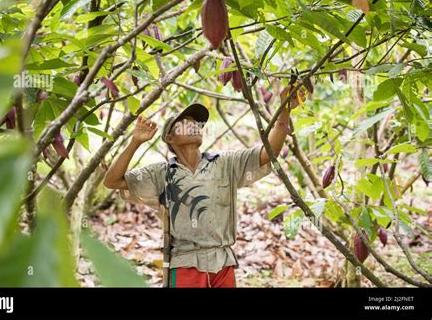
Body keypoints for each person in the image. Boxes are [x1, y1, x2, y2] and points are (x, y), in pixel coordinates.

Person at [103, 85, 304, 287]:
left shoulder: (226, 163)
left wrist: (285, 108)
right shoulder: (161, 174)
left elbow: (269, 152)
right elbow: (112, 181)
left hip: (223, 262)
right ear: (169, 138)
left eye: (196, 124)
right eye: (184, 123)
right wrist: (135, 142)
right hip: (184, 264)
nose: (194, 126)